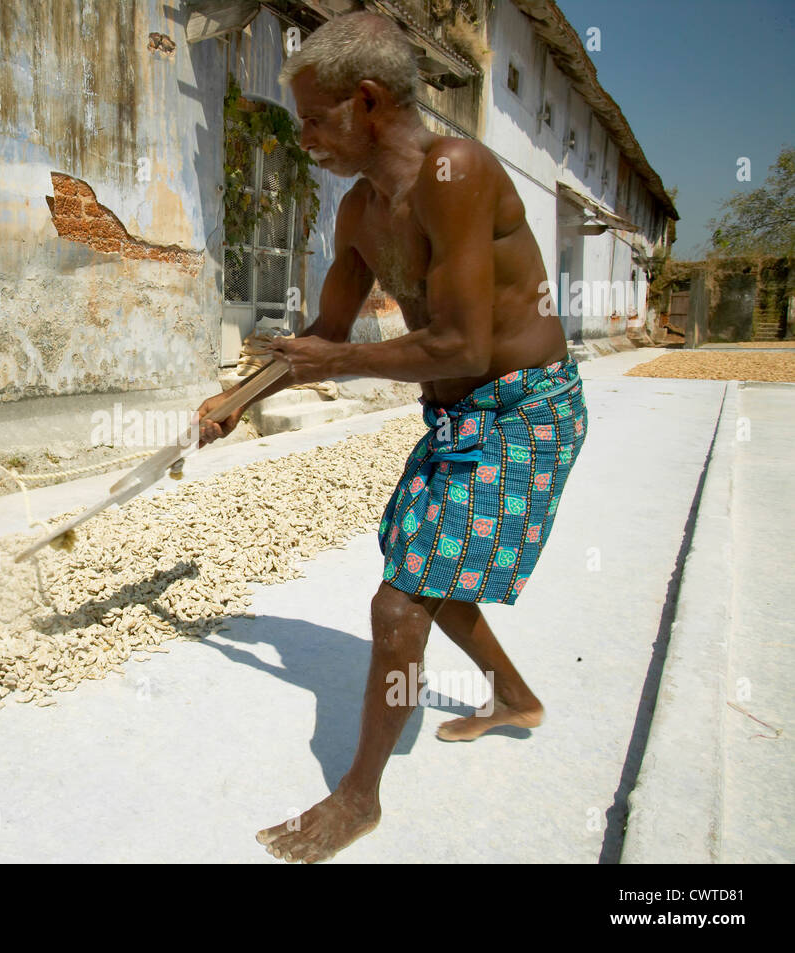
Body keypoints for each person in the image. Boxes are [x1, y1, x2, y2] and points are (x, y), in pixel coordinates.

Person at [196, 12, 589, 863]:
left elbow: (463, 344)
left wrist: (331, 362)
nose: (302, 139)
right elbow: (324, 330)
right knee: (431, 573)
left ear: (367, 101)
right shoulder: (358, 213)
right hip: (456, 416)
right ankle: (515, 698)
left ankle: (358, 797)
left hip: (523, 408)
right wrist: (238, 396)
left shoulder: (457, 172)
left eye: (312, 119)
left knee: (400, 599)